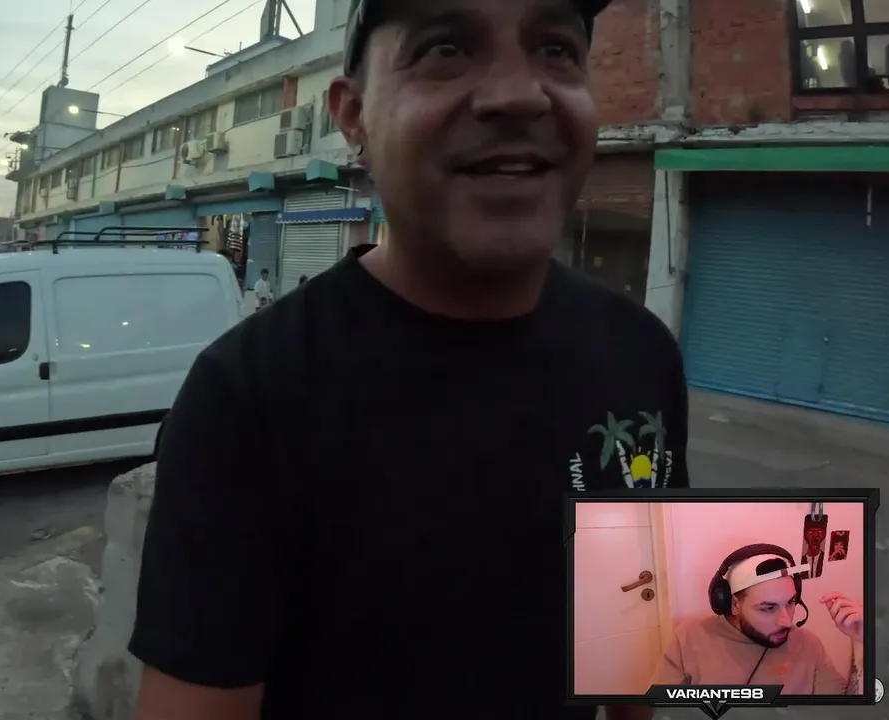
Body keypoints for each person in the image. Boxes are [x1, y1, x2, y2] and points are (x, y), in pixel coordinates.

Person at [130, 0, 689, 717]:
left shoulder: (642, 353)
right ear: (353, 114)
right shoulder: (247, 397)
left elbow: (641, 643)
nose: (519, 94)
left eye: (555, 48)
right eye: (445, 49)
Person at [653, 544, 864, 693]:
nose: (786, 621)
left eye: (790, 602)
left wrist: (862, 642)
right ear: (733, 604)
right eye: (768, 608)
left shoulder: (809, 645)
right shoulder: (689, 639)